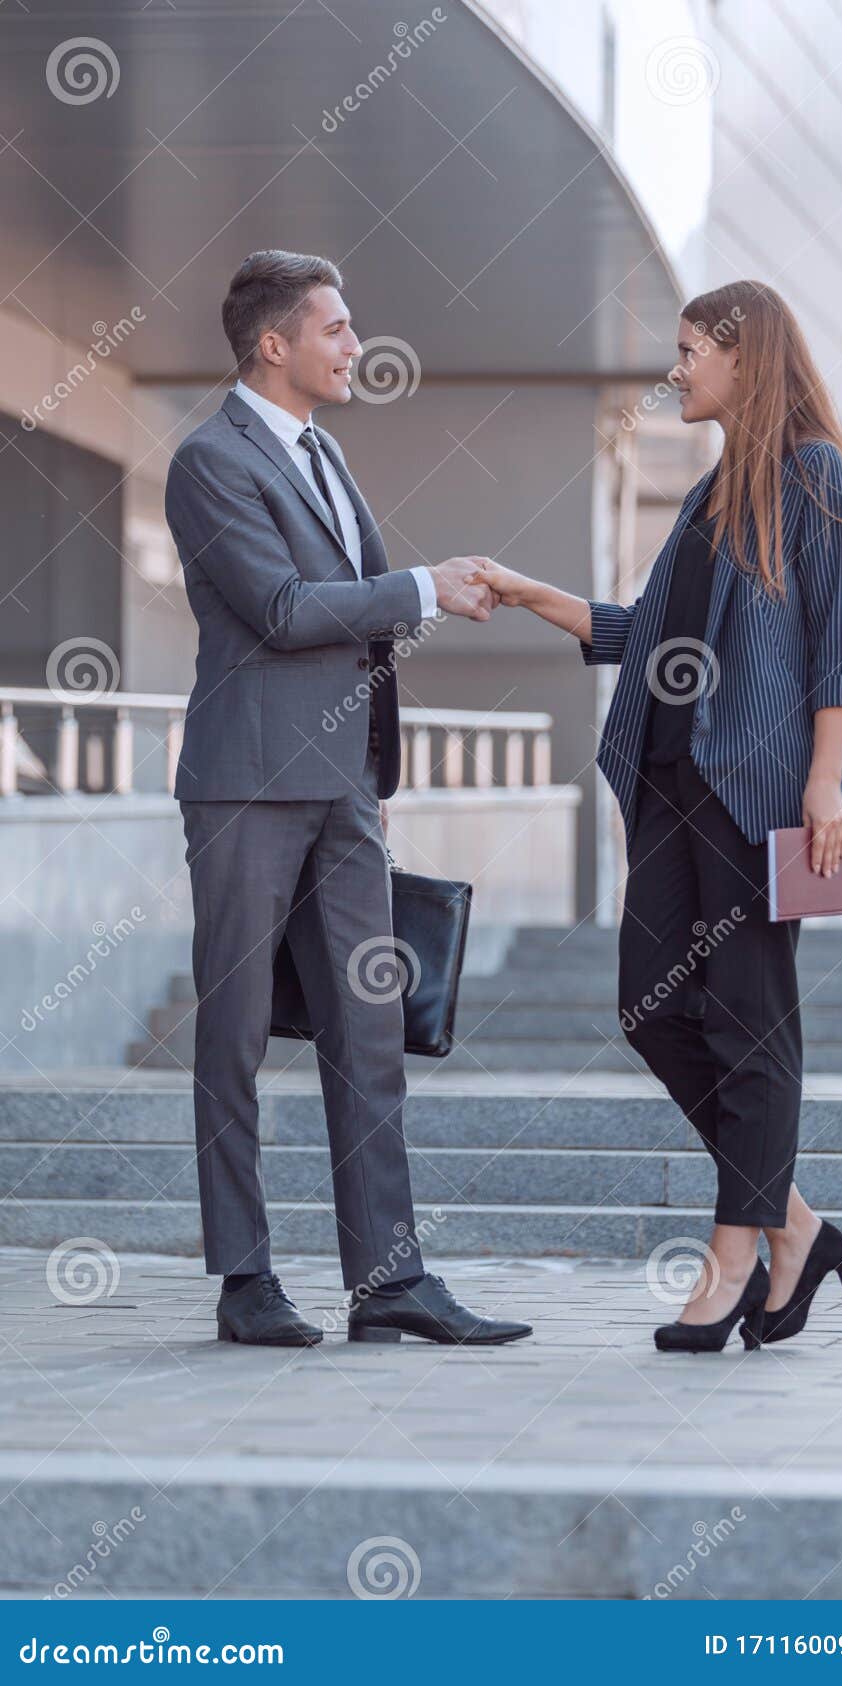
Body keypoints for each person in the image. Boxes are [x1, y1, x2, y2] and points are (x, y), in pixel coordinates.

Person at [468, 280, 842, 1353]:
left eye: (691, 350)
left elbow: (831, 643)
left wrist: (823, 780)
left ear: (745, 358)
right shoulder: (707, 494)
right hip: (665, 783)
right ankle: (794, 1225)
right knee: (649, 1008)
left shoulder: (811, 473)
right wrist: (527, 592)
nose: (676, 367)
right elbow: (642, 633)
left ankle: (732, 1257)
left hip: (754, 786)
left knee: (749, 1018)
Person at [164, 248, 530, 1349]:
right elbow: (280, 609)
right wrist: (423, 587)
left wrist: (372, 760)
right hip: (247, 785)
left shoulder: (323, 453)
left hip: (343, 789)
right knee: (234, 1033)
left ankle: (389, 1280)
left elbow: (346, 609)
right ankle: (245, 1280)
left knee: (370, 1033)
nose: (355, 345)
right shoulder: (209, 460)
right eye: (335, 327)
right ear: (273, 343)